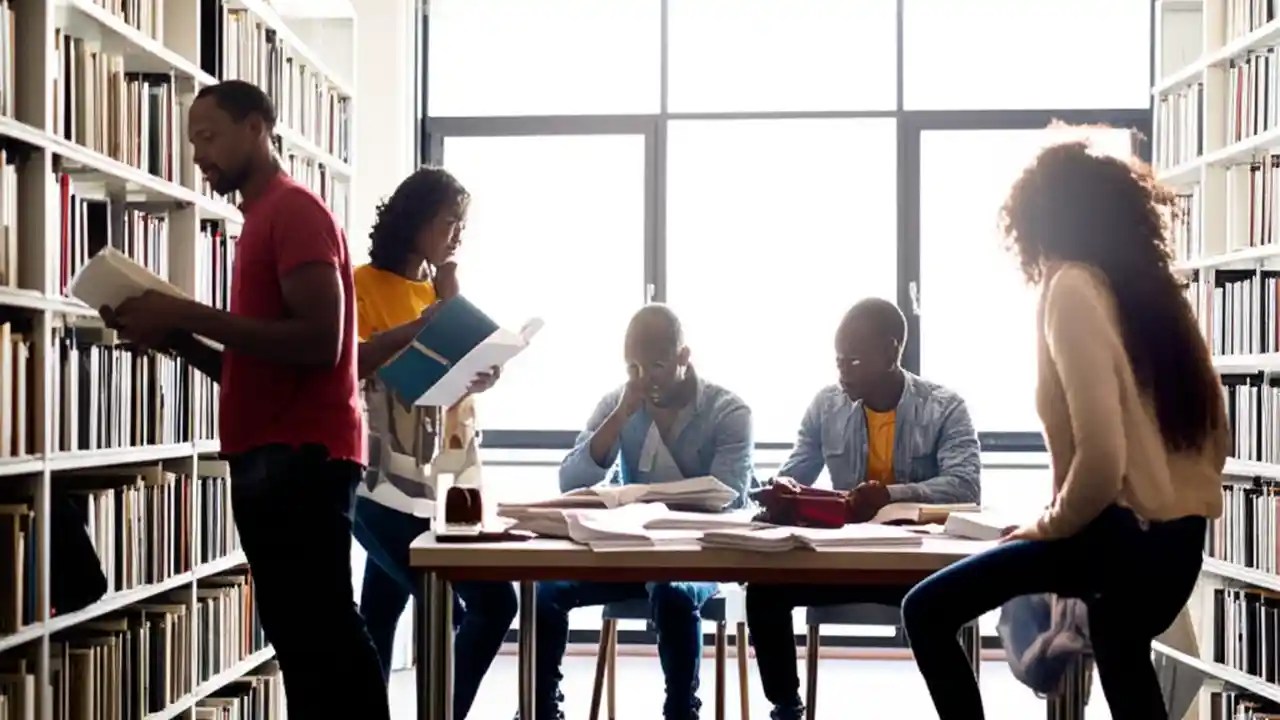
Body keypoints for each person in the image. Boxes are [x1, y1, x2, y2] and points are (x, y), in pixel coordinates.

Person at [899, 134, 1227, 720]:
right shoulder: (1152, 294)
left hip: (1122, 541)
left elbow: (1102, 459)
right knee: (1120, 643)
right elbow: (1214, 436)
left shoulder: (1072, 286)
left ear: (1038, 217)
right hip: (1179, 548)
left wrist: (1046, 527)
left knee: (926, 610)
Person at [101, 80, 390, 718]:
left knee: (324, 636)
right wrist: (174, 336)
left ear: (257, 127)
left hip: (302, 458)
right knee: (303, 642)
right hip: (269, 457)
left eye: (209, 136)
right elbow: (253, 367)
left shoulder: (294, 211)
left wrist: (185, 311)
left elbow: (321, 341)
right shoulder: (259, 220)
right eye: (192, 142)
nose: (198, 155)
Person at [746, 297, 981, 720]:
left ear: (892, 352)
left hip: (914, 570)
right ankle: (786, 707)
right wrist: (777, 493)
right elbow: (795, 473)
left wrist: (890, 495)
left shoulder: (945, 407)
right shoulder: (826, 406)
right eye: (839, 361)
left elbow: (965, 485)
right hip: (842, 563)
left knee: (933, 611)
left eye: (853, 361)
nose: (843, 373)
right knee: (764, 589)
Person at [535, 304, 754, 720]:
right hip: (630, 549)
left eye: (656, 366)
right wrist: (620, 416)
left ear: (683, 357)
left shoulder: (728, 412)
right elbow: (571, 480)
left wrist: (653, 504)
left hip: (699, 555)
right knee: (546, 591)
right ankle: (542, 706)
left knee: (672, 592)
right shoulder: (618, 403)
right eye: (633, 368)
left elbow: (729, 495)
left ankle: (681, 710)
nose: (645, 379)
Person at [353, 165, 516, 719]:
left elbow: (446, 381)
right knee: (479, 604)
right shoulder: (361, 285)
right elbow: (358, 369)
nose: (458, 235)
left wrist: (481, 374)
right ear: (416, 220)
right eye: (450, 222)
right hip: (379, 480)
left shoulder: (436, 290)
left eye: (462, 224)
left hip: (436, 481)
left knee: (379, 613)